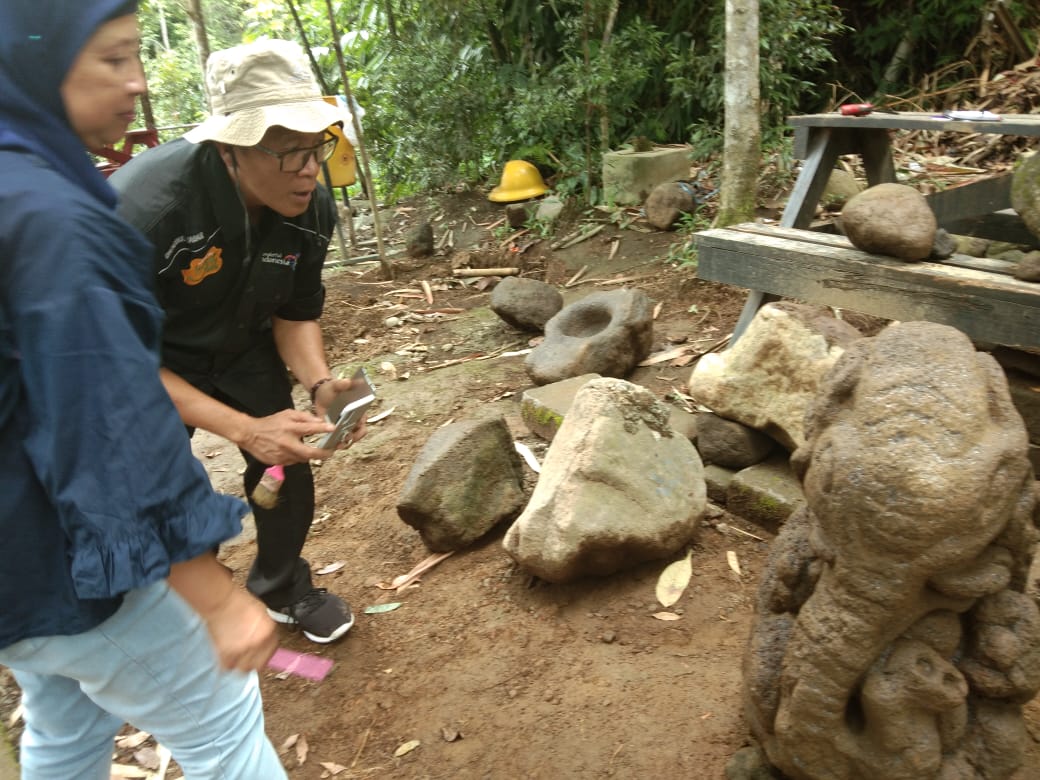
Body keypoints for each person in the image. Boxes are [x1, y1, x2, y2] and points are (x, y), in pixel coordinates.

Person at [0, 1, 289, 778]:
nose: (137, 83)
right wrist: (215, 595)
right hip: (65, 555)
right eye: (113, 58)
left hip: (15, 565)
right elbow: (105, 422)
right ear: (35, 61)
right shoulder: (53, 216)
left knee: (65, 725)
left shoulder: (18, 179)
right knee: (223, 727)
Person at [110, 39, 364, 645]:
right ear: (231, 147)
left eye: (316, 146)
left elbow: (296, 311)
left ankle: (278, 587)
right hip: (148, 359)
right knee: (157, 485)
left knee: (287, 460)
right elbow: (118, 360)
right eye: (287, 151)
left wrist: (319, 383)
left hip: (241, 343)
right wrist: (243, 428)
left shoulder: (310, 206)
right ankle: (182, 604)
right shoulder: (145, 211)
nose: (308, 167)